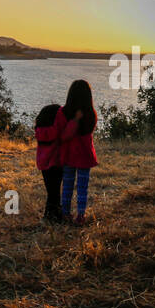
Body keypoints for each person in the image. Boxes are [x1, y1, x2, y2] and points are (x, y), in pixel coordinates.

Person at [56, 79, 98, 225]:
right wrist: (77, 120)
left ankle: (66, 213)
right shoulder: (91, 113)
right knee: (82, 187)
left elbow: (63, 136)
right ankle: (80, 215)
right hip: (84, 155)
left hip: (69, 155)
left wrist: (74, 120)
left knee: (67, 185)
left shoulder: (63, 112)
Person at [33, 103, 63, 222]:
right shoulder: (55, 131)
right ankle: (52, 216)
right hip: (55, 164)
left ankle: (50, 214)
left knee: (51, 191)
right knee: (54, 192)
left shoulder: (39, 131)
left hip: (43, 165)